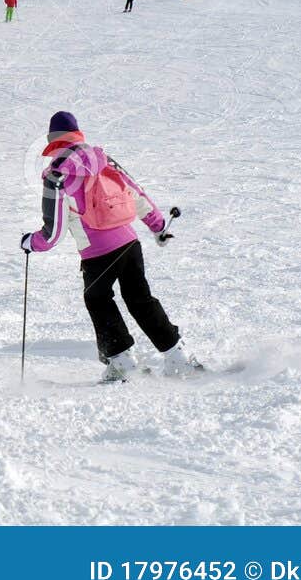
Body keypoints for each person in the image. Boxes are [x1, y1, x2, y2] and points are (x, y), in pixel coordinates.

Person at [22, 111, 197, 382]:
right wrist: (158, 224)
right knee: (141, 300)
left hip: (97, 254)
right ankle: (179, 358)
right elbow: (136, 193)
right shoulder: (103, 159)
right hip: (129, 244)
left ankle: (123, 362)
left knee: (98, 300)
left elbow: (53, 232)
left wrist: (30, 243)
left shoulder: (56, 176)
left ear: (53, 141)